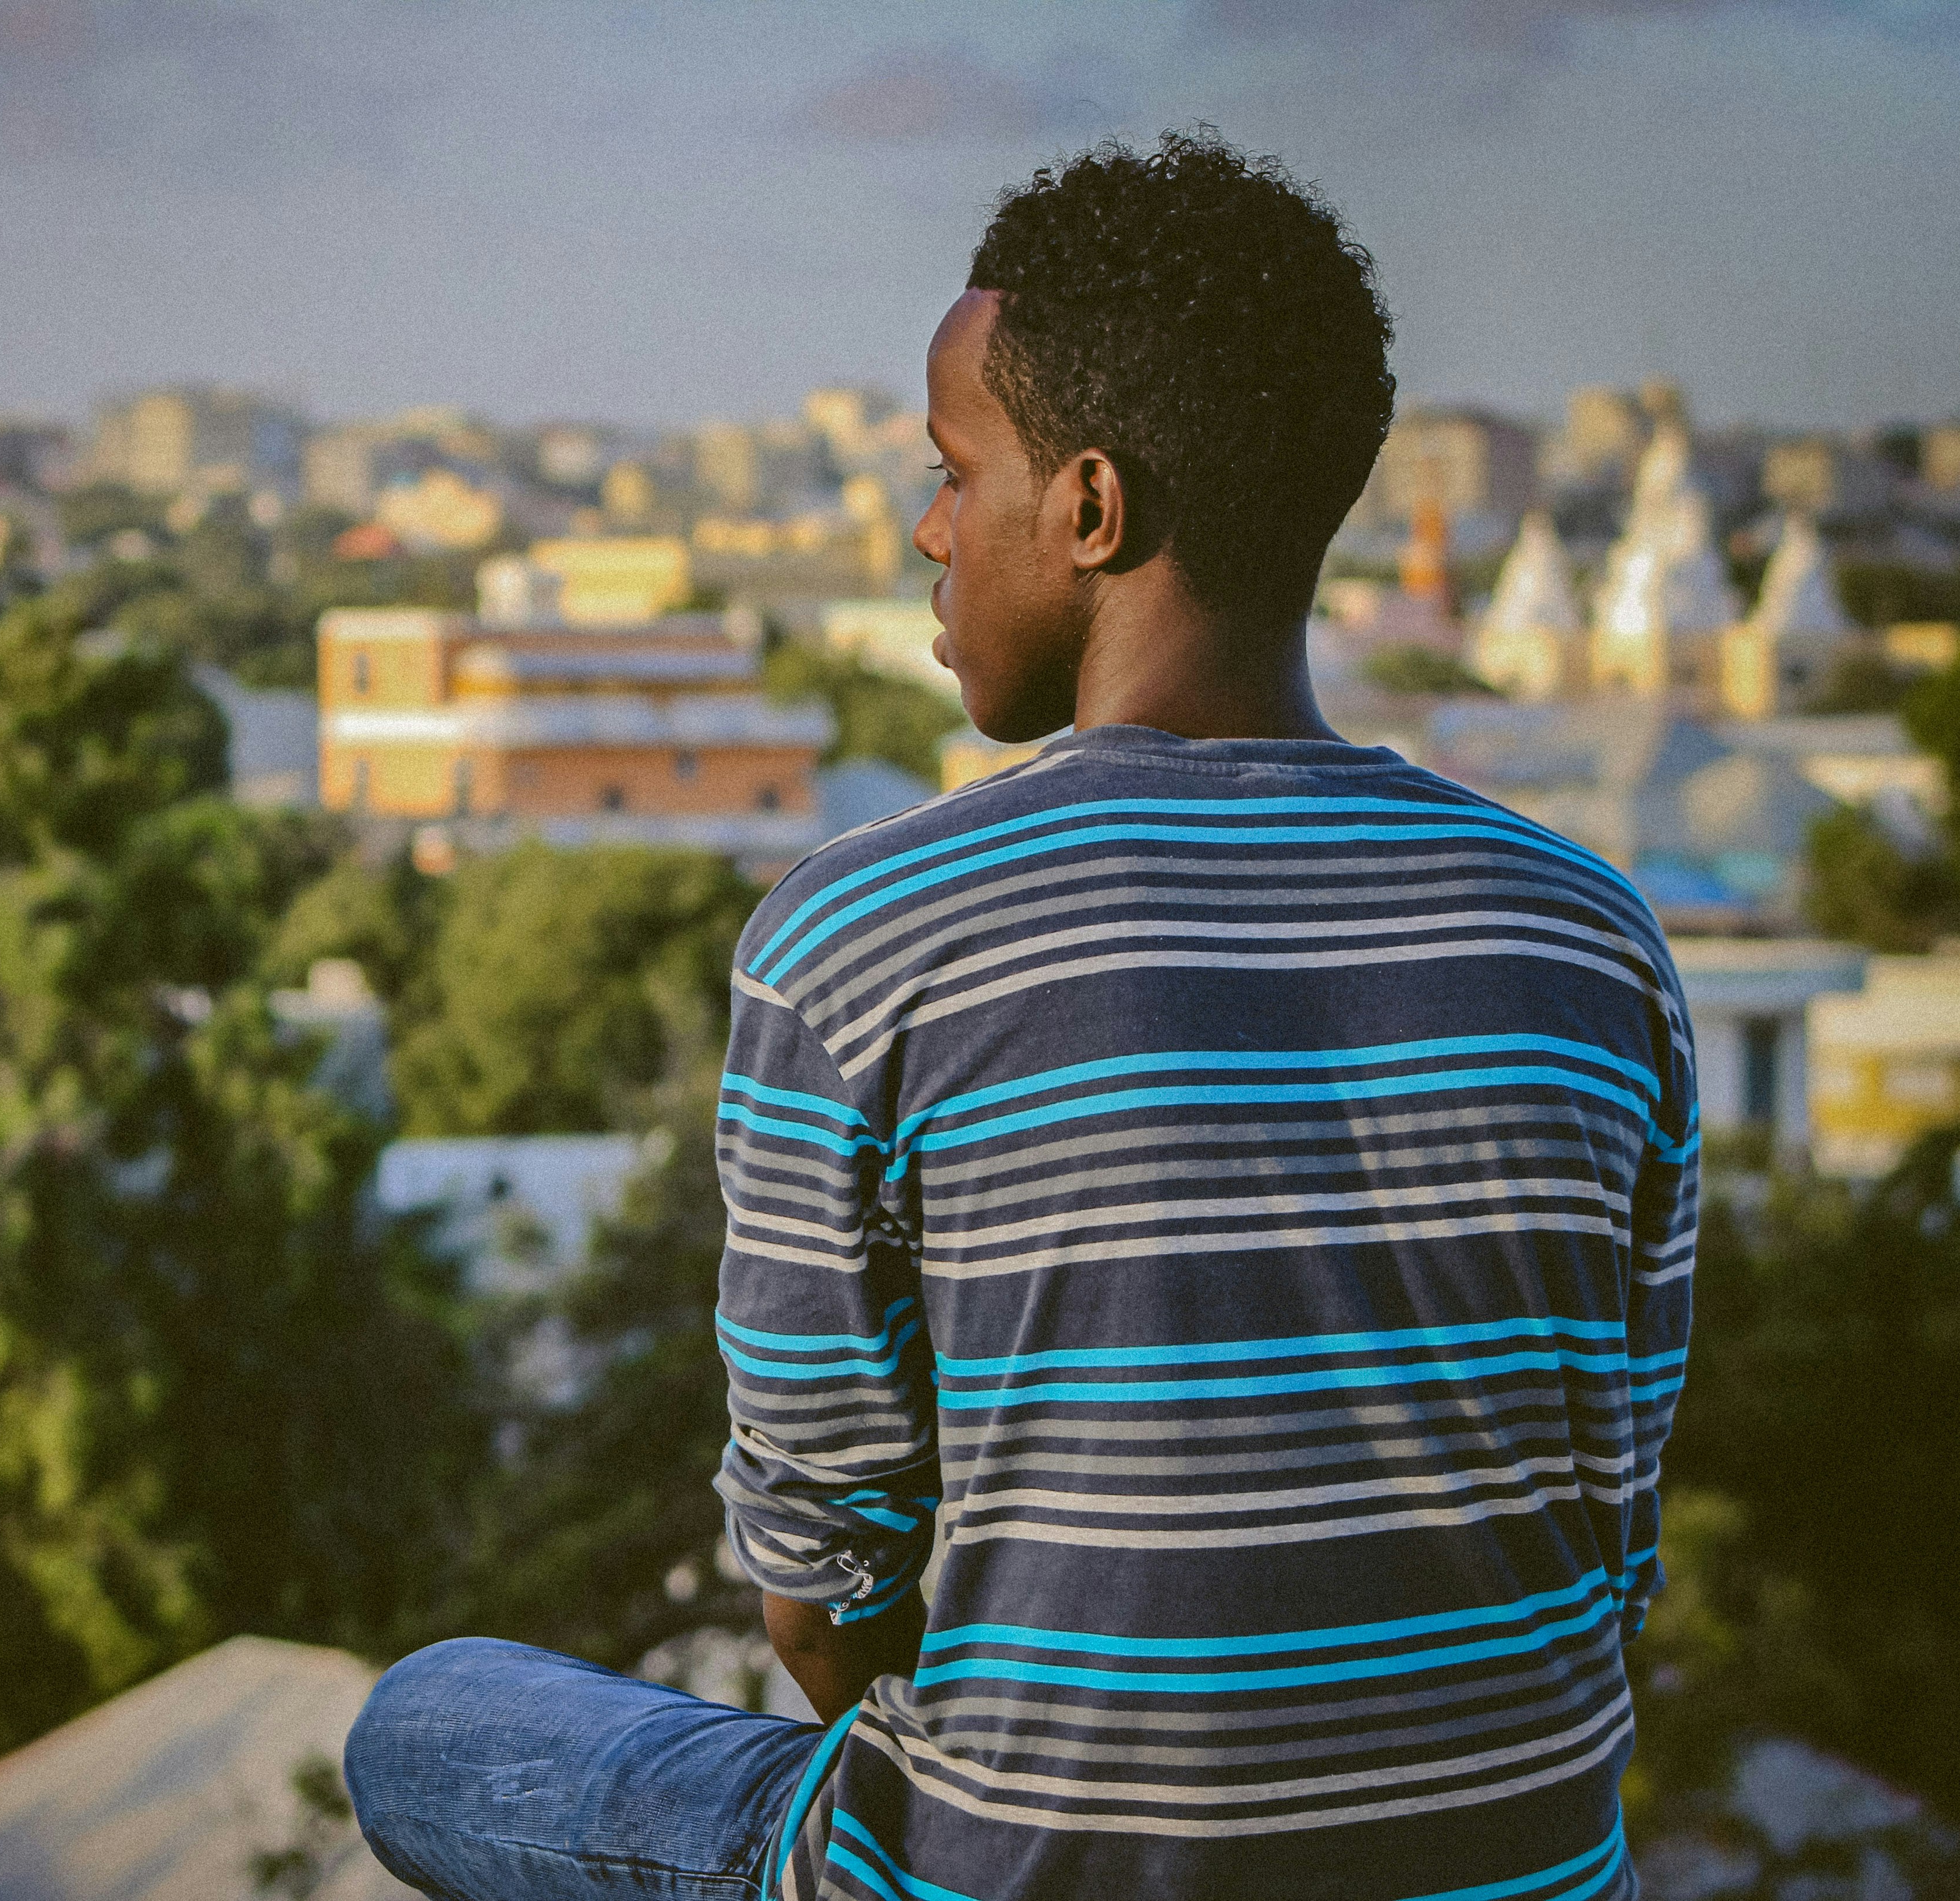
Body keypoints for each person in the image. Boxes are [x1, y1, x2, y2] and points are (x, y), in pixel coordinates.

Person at [345, 128, 1691, 1901]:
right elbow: (1607, 1542)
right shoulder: (1594, 941)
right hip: (1525, 1870)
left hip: (999, 1871)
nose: (923, 526)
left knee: (425, 1721)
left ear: (1087, 509)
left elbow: (825, 1604)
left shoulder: (862, 936)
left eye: (947, 468)